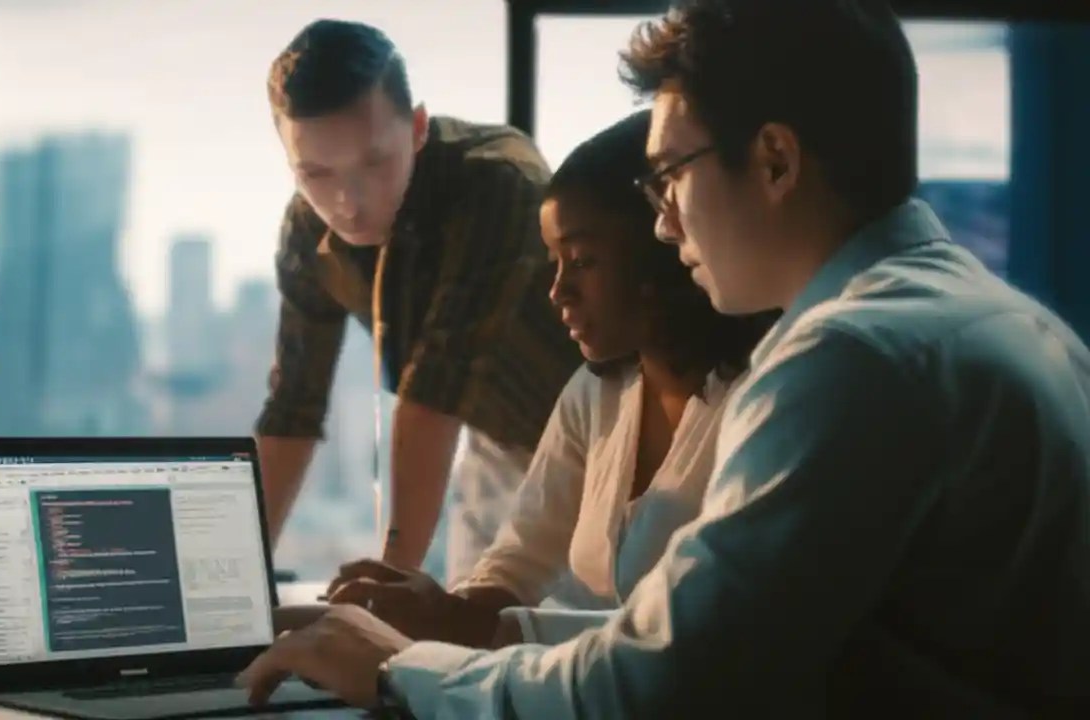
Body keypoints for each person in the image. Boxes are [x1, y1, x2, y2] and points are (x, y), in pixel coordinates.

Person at [237, 1, 1090, 716]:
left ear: (775, 161)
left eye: (669, 178)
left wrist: (396, 673)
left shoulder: (847, 360)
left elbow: (660, 685)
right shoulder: (1016, 326)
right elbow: (704, 637)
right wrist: (480, 633)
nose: (661, 224)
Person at [305, 110, 777, 650]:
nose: (558, 292)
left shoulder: (762, 401)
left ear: (661, 246)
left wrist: (460, 626)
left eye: (581, 260)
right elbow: (518, 563)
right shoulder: (595, 395)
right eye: (553, 262)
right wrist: (415, 611)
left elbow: (699, 639)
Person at [256, 19, 583, 581]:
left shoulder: (495, 180)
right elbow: (293, 408)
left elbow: (435, 390)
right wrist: (240, 576)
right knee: (471, 650)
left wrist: (391, 578)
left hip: (608, 438)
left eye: (373, 163)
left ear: (418, 127)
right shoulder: (308, 228)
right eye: (315, 173)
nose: (347, 202)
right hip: (494, 450)